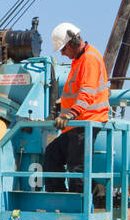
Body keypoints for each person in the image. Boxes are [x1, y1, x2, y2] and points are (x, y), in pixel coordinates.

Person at [43, 22, 111, 195]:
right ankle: (58, 199)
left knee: (76, 168)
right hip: (77, 124)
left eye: (64, 49)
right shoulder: (78, 59)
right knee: (52, 154)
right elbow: (75, 91)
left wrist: (69, 115)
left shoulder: (89, 59)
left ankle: (78, 208)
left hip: (87, 122)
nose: (63, 54)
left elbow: (86, 93)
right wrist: (61, 105)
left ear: (72, 43)